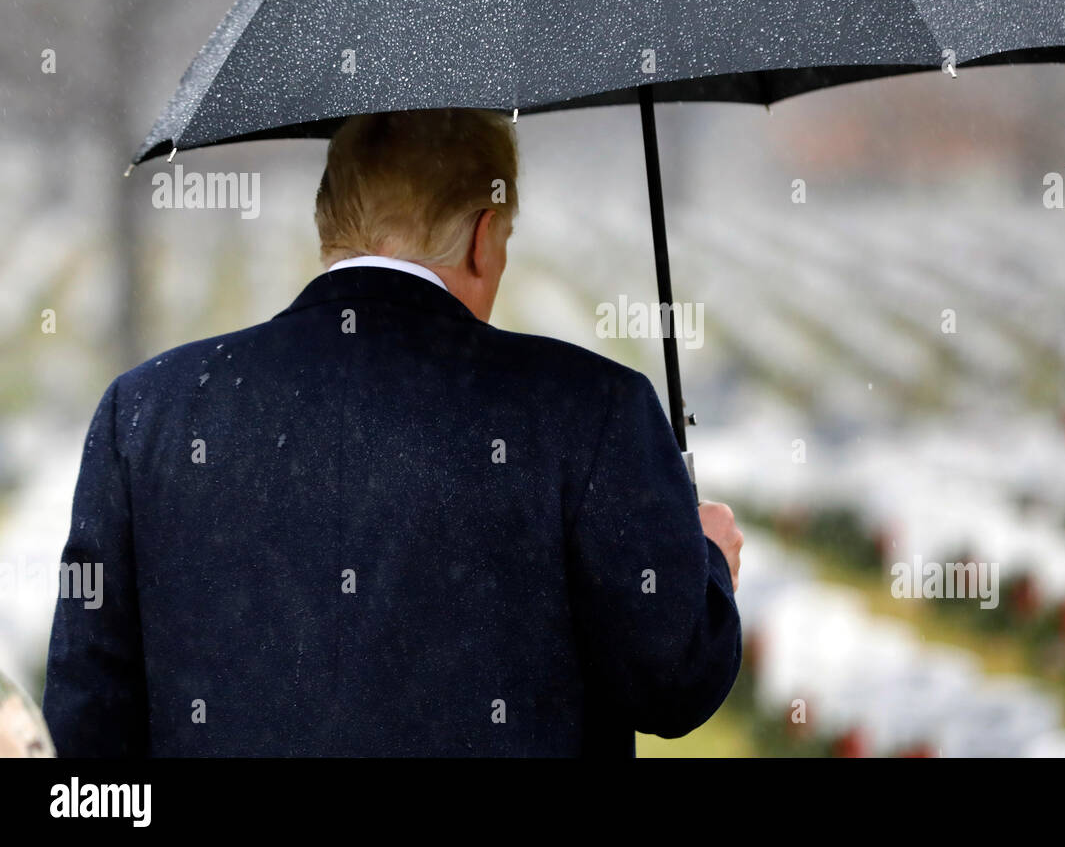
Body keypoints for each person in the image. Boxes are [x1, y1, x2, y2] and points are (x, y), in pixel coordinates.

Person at [42, 109, 743, 757]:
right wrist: (705, 560)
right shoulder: (592, 407)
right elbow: (670, 681)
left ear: (328, 225)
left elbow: (87, 718)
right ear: (482, 236)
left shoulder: (146, 411)